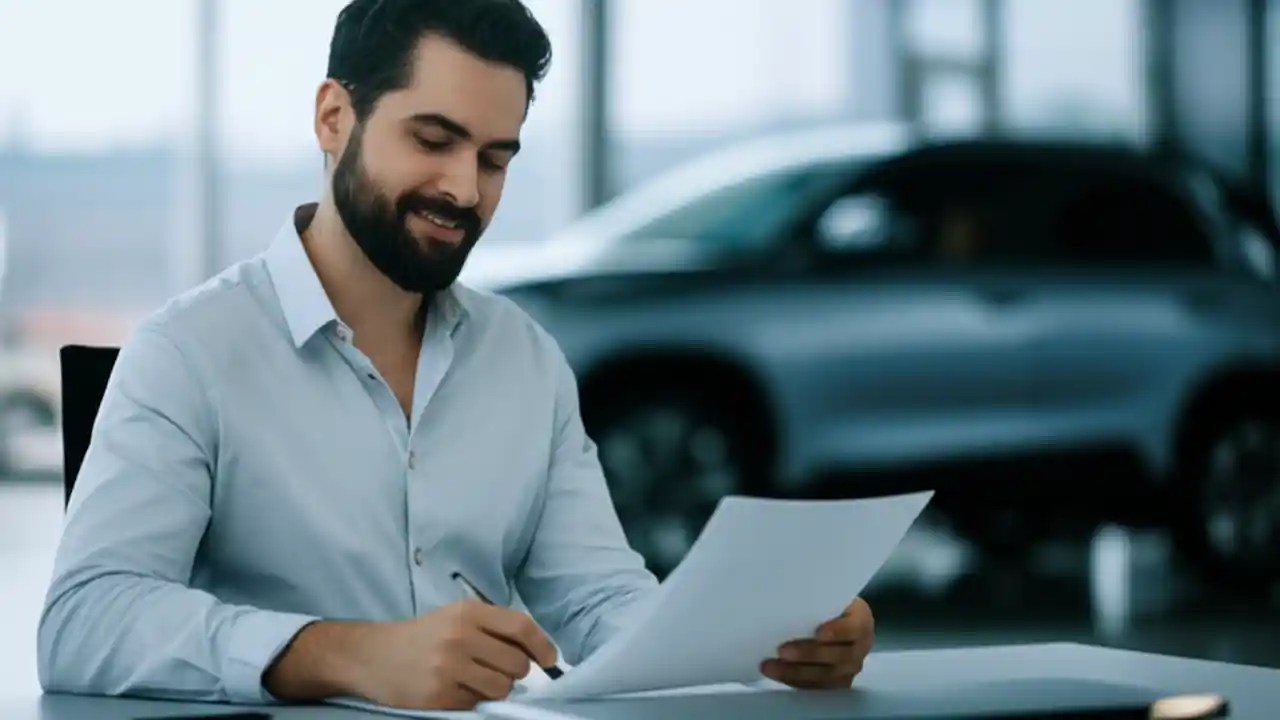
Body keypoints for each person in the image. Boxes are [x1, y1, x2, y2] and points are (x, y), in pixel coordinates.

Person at [37, 0, 875, 711]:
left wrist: (759, 637)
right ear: (335, 118)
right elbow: (83, 621)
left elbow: (597, 599)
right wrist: (345, 654)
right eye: (432, 139)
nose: (464, 189)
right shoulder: (188, 352)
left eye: (493, 158)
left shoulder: (525, 360)